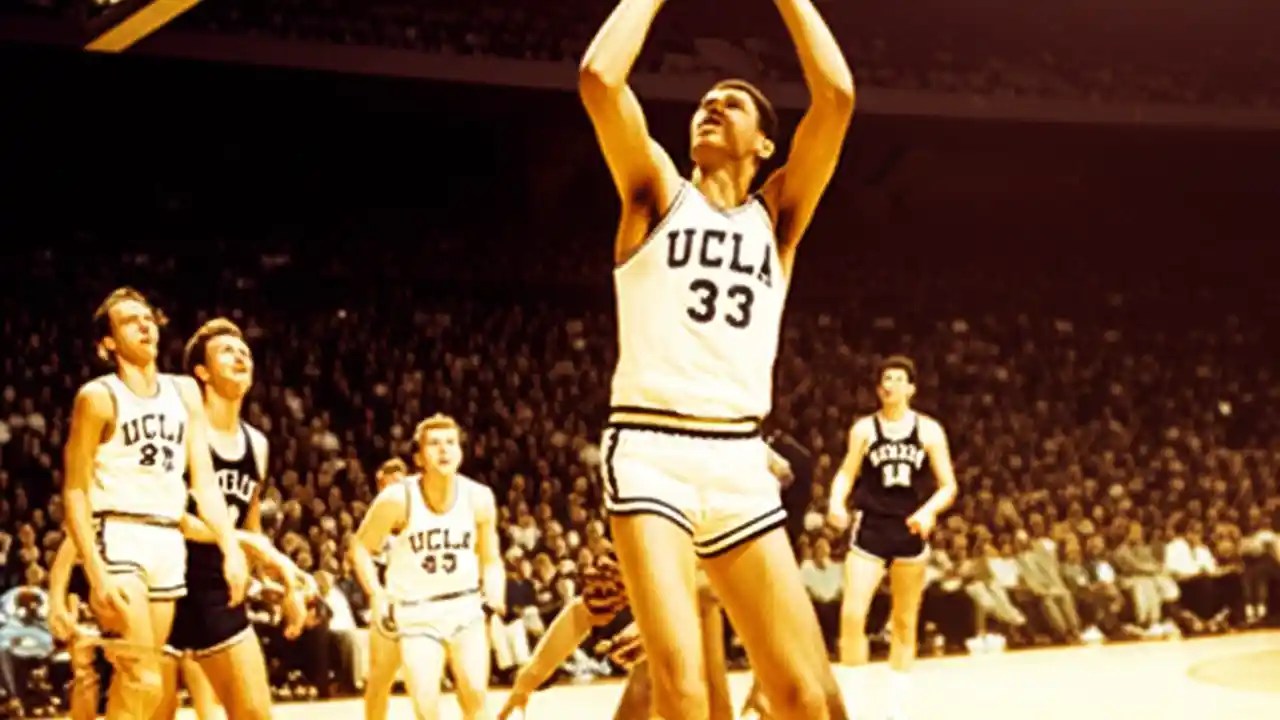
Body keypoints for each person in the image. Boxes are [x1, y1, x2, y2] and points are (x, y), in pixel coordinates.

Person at [580, 0, 854, 716]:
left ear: (766, 145)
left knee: (807, 696)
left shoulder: (779, 215)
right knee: (685, 686)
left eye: (731, 104)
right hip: (650, 450)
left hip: (739, 457)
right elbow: (599, 80)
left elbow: (838, 98)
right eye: (704, 102)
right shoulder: (655, 193)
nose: (711, 107)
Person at [61, 287, 248, 719]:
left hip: (167, 541)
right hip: (119, 535)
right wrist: (94, 569)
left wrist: (230, 546)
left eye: (148, 318)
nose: (145, 325)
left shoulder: (184, 393)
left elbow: (203, 479)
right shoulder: (97, 397)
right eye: (130, 320)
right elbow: (74, 490)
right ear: (107, 343)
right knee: (142, 676)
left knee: (147, 686)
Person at [152, 318, 310, 720]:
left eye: (244, 352)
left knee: (256, 714)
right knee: (155, 713)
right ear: (201, 373)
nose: (240, 355)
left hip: (216, 584)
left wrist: (266, 582)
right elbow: (175, 518)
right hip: (162, 578)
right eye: (226, 351)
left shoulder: (256, 443)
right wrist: (255, 548)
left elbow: (250, 523)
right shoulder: (177, 428)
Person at [827, 356, 959, 720]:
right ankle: (851, 705)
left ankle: (898, 709)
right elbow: (846, 472)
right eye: (886, 378)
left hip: (910, 528)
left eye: (899, 378)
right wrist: (836, 501)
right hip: (871, 526)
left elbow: (948, 485)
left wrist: (929, 510)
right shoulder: (864, 430)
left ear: (911, 388)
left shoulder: (929, 430)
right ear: (878, 388)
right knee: (853, 614)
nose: (891, 384)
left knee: (904, 622)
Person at [351, 415, 506, 720]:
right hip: (412, 609)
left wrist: (495, 594)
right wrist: (376, 593)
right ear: (419, 457)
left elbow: (491, 558)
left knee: (475, 694)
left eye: (450, 443)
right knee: (421, 702)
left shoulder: (479, 497)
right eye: (434, 444)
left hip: (464, 604)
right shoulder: (397, 498)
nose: (444, 450)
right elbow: (359, 548)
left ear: (461, 451)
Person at [353, 457, 410, 720]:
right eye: (389, 483)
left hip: (423, 598)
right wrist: (375, 594)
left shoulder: (420, 510)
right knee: (380, 679)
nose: (395, 487)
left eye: (400, 481)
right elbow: (358, 555)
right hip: (388, 600)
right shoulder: (373, 520)